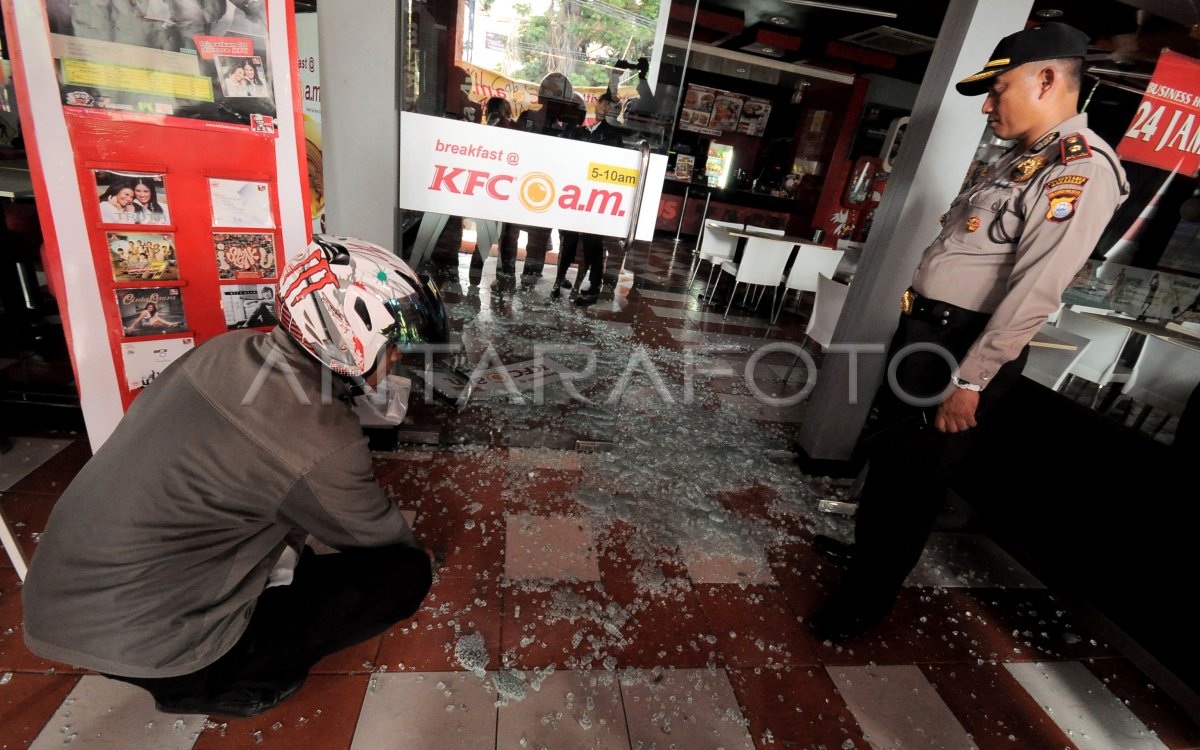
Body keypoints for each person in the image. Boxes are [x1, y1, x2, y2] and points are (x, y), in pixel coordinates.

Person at [23, 235, 449, 717]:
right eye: (394, 349)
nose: (397, 362)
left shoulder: (227, 350)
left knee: (284, 535)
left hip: (65, 600)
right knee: (403, 576)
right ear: (349, 340)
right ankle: (220, 686)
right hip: (154, 641)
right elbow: (376, 539)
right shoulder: (320, 433)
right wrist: (422, 556)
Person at [808, 23, 1130, 643]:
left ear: (1046, 79)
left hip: (961, 351)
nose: (987, 106)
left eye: (998, 88)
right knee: (890, 458)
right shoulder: (1026, 159)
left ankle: (867, 601)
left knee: (916, 479)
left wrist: (972, 378)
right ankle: (868, 558)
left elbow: (1035, 290)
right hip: (928, 336)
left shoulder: (1079, 171)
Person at [554, 91, 626, 304]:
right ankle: (560, 279)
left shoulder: (613, 136)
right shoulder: (578, 132)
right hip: (575, 192)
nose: (604, 108)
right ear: (595, 104)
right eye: (602, 103)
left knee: (593, 241)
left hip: (596, 195)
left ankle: (594, 284)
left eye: (610, 106)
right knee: (569, 239)